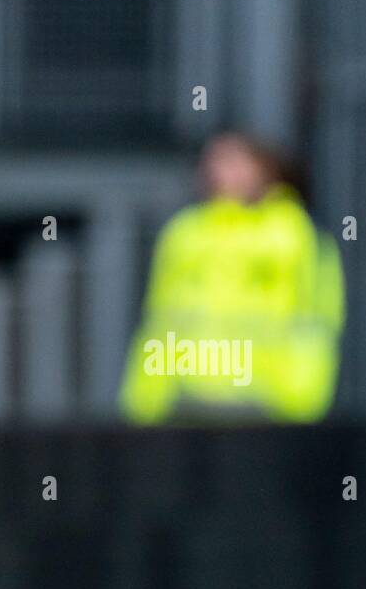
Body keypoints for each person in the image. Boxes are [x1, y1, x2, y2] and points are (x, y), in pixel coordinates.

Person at [119, 132, 344, 424]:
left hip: (270, 405)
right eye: (213, 161)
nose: (219, 170)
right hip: (188, 403)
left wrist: (302, 400)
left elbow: (315, 322)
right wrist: (143, 403)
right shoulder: (184, 233)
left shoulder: (292, 234)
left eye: (233, 161)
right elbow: (160, 322)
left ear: (264, 167)